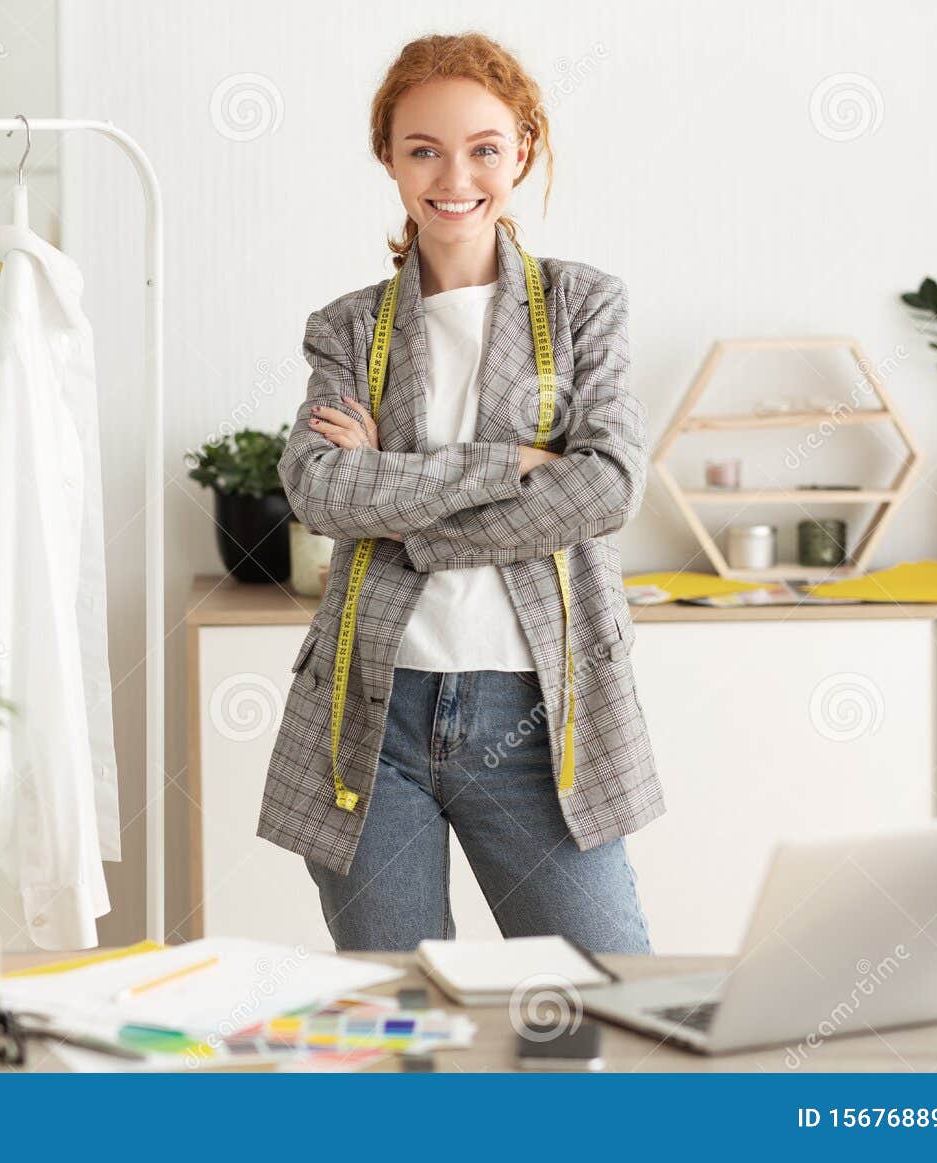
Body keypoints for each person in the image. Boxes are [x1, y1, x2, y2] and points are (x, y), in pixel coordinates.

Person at [256, 31, 665, 954]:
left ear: (523, 148)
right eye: (424, 149)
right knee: (400, 1025)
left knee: (606, 1000)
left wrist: (408, 517)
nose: (456, 175)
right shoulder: (348, 328)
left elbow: (606, 485)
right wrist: (509, 461)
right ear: (389, 159)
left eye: (484, 147)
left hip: (535, 713)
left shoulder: (582, 305)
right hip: (374, 716)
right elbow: (321, 488)